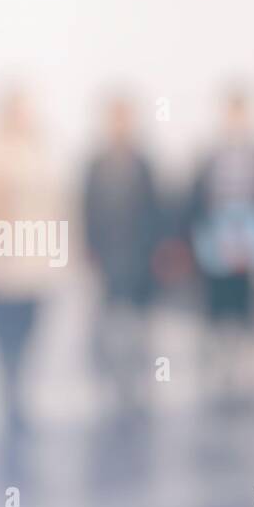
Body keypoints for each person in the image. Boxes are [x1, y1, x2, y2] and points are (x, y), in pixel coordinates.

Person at [185, 85, 254, 405]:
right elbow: (194, 202)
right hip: (216, 245)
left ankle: (245, 370)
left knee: (248, 308)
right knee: (216, 308)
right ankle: (217, 369)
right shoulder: (208, 155)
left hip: (252, 246)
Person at [0, 88, 62, 436]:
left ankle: (22, 396)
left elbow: (55, 204)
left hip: (36, 260)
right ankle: (8, 400)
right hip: (5, 262)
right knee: (6, 336)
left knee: (30, 332)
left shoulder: (39, 151)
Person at [82, 91, 163, 412]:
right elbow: (86, 209)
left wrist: (157, 254)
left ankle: (136, 386)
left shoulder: (144, 163)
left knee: (139, 328)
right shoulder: (95, 164)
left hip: (140, 259)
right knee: (109, 326)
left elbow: (156, 211)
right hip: (106, 260)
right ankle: (110, 385)